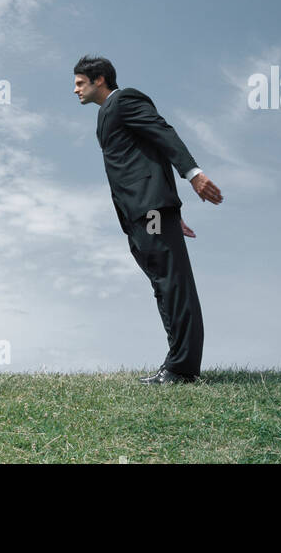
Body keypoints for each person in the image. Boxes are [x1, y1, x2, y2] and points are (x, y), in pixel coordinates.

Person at [72, 55, 224, 384]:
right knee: (162, 282)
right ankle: (176, 365)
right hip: (140, 213)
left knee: (172, 281)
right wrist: (174, 212)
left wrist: (193, 174)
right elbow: (148, 157)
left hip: (150, 210)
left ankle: (181, 369)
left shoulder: (125, 99)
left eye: (80, 83)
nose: (75, 90)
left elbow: (161, 133)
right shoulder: (104, 116)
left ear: (100, 79)